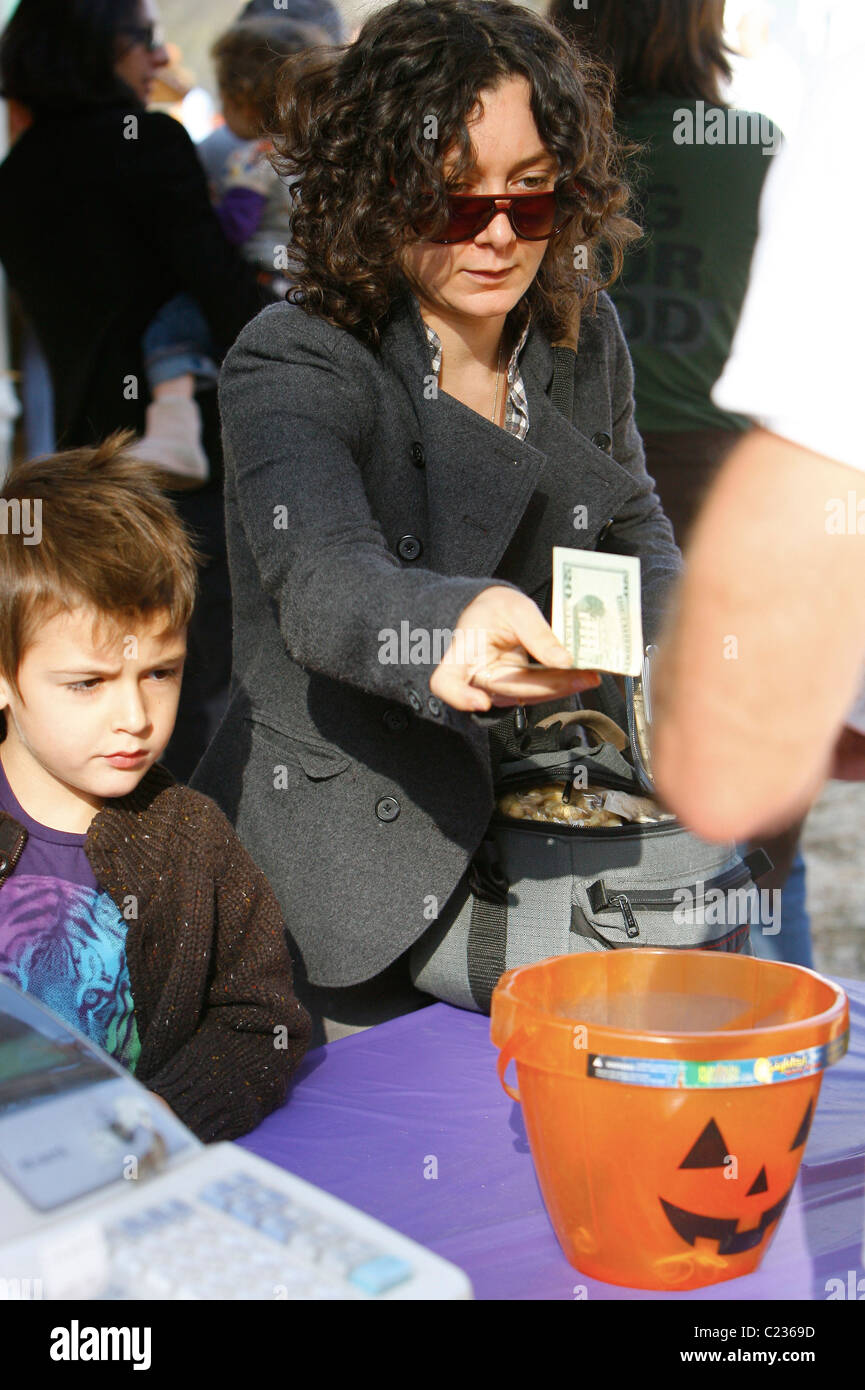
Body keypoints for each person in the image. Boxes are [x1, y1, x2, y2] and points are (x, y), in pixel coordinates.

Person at [190, 0, 681, 1044]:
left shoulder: (581, 331)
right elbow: (323, 583)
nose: (499, 234)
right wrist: (454, 626)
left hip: (542, 835)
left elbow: (635, 523)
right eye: (456, 202)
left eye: (533, 195)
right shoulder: (296, 356)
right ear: (376, 191)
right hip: (353, 876)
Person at [549, 0, 810, 967]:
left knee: (596, 750)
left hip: (580, 475)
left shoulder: (555, 140)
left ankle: (610, 970)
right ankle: (753, 983)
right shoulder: (750, 146)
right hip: (728, 475)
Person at [0, 435, 311, 1141]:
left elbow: (262, 1021)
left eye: (159, 673)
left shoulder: (192, 840)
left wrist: (165, 1119)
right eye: (88, 683)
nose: (135, 718)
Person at [0, 0, 277, 781]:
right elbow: (221, 293)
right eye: (144, 41)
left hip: (90, 459)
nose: (159, 60)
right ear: (99, 48)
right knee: (188, 678)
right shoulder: (147, 144)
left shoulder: (18, 173)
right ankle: (185, 865)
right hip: (184, 463)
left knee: (108, 684)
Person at [651, 44, 865, 845]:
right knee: (775, 858)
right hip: (715, 454)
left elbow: (725, 773)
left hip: (700, 462)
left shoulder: (842, 109)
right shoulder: (747, 141)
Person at [135, 15, 331, 486]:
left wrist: (206, 212)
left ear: (245, 98)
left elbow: (236, 229)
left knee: (170, 326)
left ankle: (174, 426)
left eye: (225, 91)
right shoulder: (316, 156)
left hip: (259, 280)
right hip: (300, 288)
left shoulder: (251, 158)